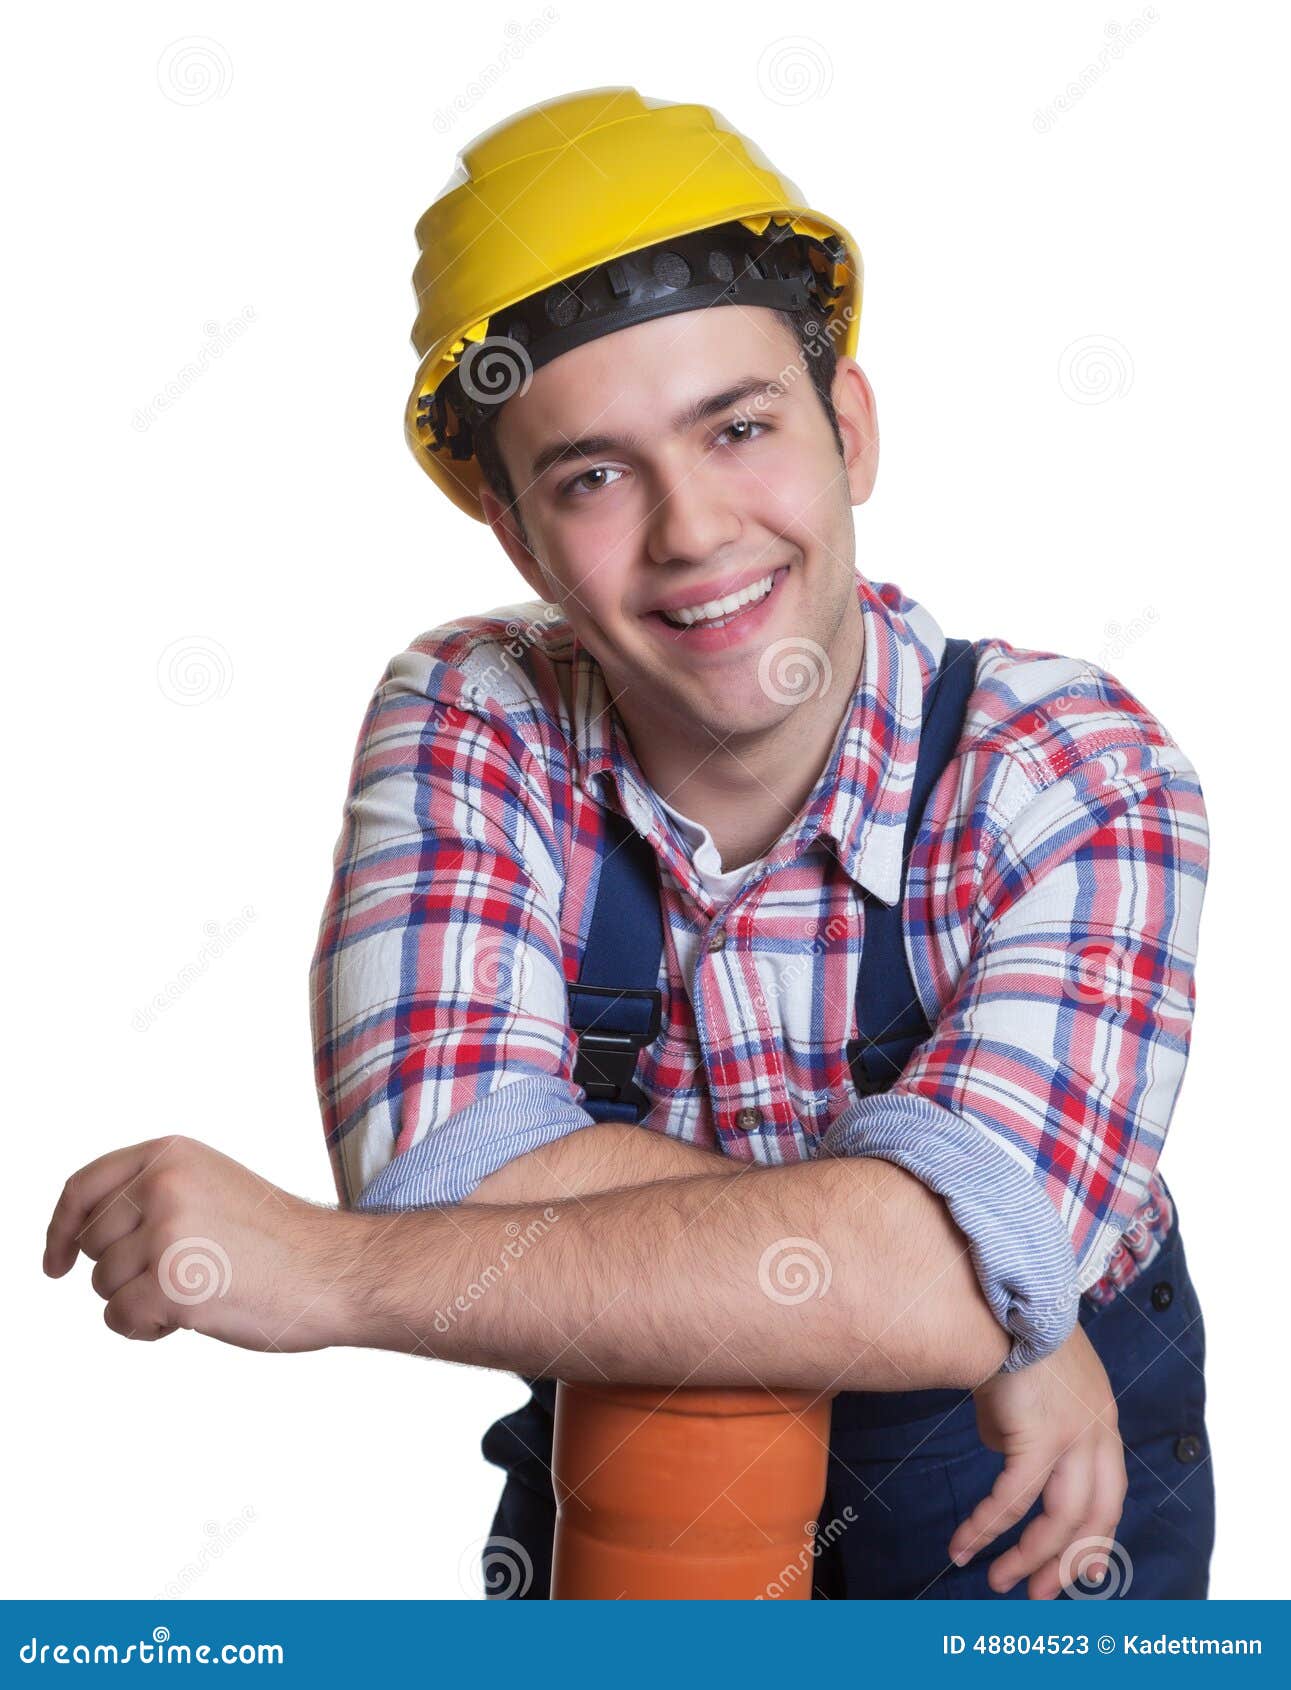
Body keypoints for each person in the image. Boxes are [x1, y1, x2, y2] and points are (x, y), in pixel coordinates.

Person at [42, 87, 1213, 1601]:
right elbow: (444, 1187)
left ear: (850, 430)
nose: (693, 531)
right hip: (635, 1455)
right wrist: (953, 1279)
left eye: (740, 427)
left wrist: (327, 1274)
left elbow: (931, 1283)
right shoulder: (474, 711)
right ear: (515, 532)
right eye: (592, 474)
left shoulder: (1071, 768)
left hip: (1020, 1498)